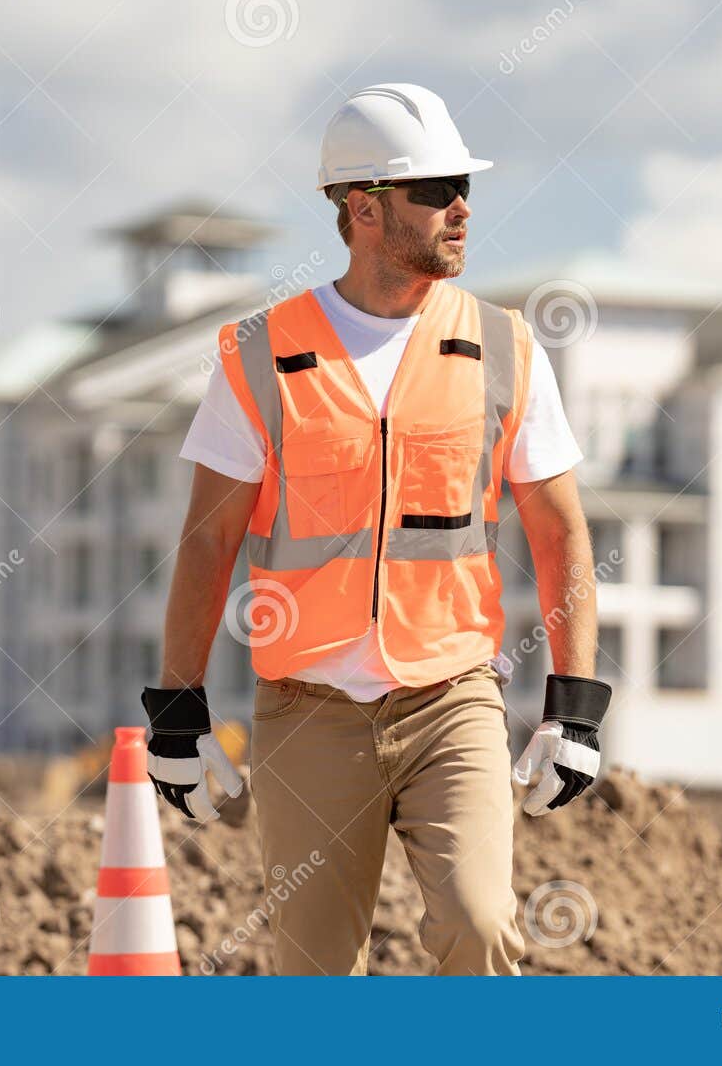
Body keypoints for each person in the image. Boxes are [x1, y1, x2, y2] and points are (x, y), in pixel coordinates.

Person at [141, 83, 610, 975]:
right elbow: (208, 539)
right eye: (435, 190)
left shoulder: (507, 348)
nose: (461, 207)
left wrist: (575, 706)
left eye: (465, 186)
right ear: (362, 209)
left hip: (453, 700)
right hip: (307, 711)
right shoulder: (261, 352)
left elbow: (560, 532)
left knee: (479, 926)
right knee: (315, 977)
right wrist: (177, 712)